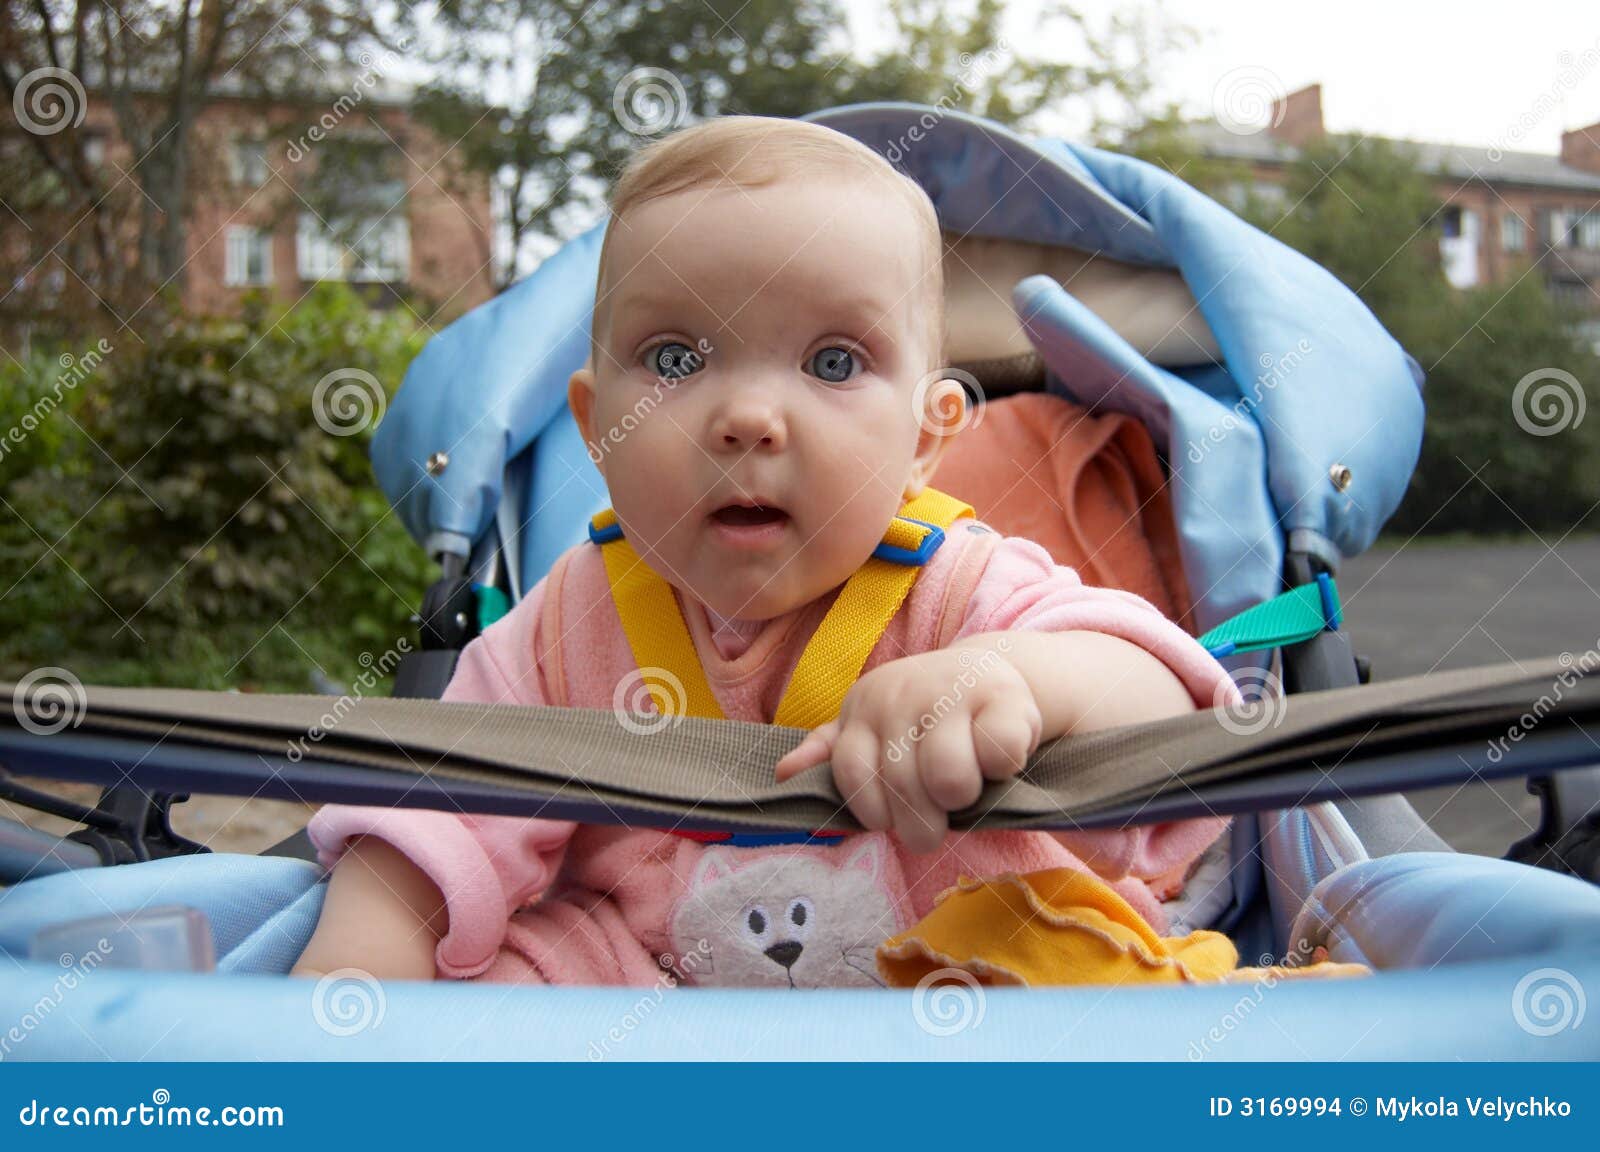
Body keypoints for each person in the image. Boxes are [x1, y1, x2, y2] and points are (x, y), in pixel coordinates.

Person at [291, 115, 1236, 988]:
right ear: (593, 424)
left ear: (925, 438)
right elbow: (435, 823)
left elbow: (1169, 705)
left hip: (971, 993)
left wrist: (1014, 678)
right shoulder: (565, 628)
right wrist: (342, 1001)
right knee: (467, 957)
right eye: (675, 360)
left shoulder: (961, 591)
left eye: (833, 362)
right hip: (653, 999)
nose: (746, 418)